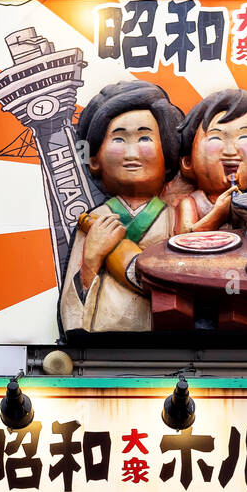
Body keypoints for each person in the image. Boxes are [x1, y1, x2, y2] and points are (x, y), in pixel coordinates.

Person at [59, 81, 183, 333]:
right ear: (94, 159)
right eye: (118, 139)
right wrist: (92, 259)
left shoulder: (177, 218)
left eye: (145, 137)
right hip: (99, 350)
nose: (131, 153)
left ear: (167, 153)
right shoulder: (94, 220)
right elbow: (70, 314)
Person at [174, 88, 247, 234]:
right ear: (188, 162)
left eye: (244, 137)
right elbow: (182, 237)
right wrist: (218, 215)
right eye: (215, 138)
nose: (230, 151)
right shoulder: (193, 203)